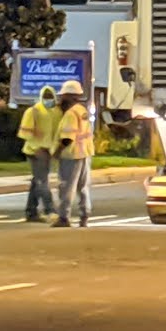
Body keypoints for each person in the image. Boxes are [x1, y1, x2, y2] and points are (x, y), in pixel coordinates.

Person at [51, 79, 93, 228]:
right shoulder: (82, 111)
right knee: (83, 187)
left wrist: (57, 151)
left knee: (66, 186)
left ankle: (64, 217)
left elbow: (68, 138)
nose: (61, 98)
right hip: (85, 153)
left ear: (70, 96)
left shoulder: (71, 113)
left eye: (64, 95)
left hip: (72, 154)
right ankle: (84, 215)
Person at [17, 84, 61, 221]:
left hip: (48, 150)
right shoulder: (33, 111)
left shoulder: (57, 112)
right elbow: (24, 132)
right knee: (42, 181)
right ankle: (50, 210)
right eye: (46, 97)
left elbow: (57, 132)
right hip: (35, 150)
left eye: (50, 97)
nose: (49, 100)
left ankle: (31, 212)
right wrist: (35, 138)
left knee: (37, 181)